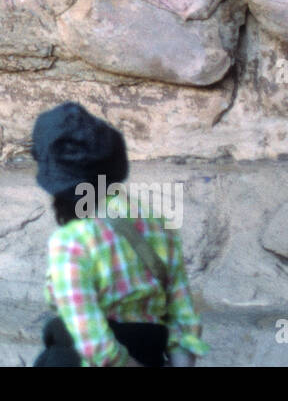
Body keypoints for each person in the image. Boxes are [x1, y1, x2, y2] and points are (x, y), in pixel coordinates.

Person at [30, 102, 209, 367]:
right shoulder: (160, 226)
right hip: (151, 352)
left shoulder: (71, 243)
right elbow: (184, 321)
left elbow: (96, 345)